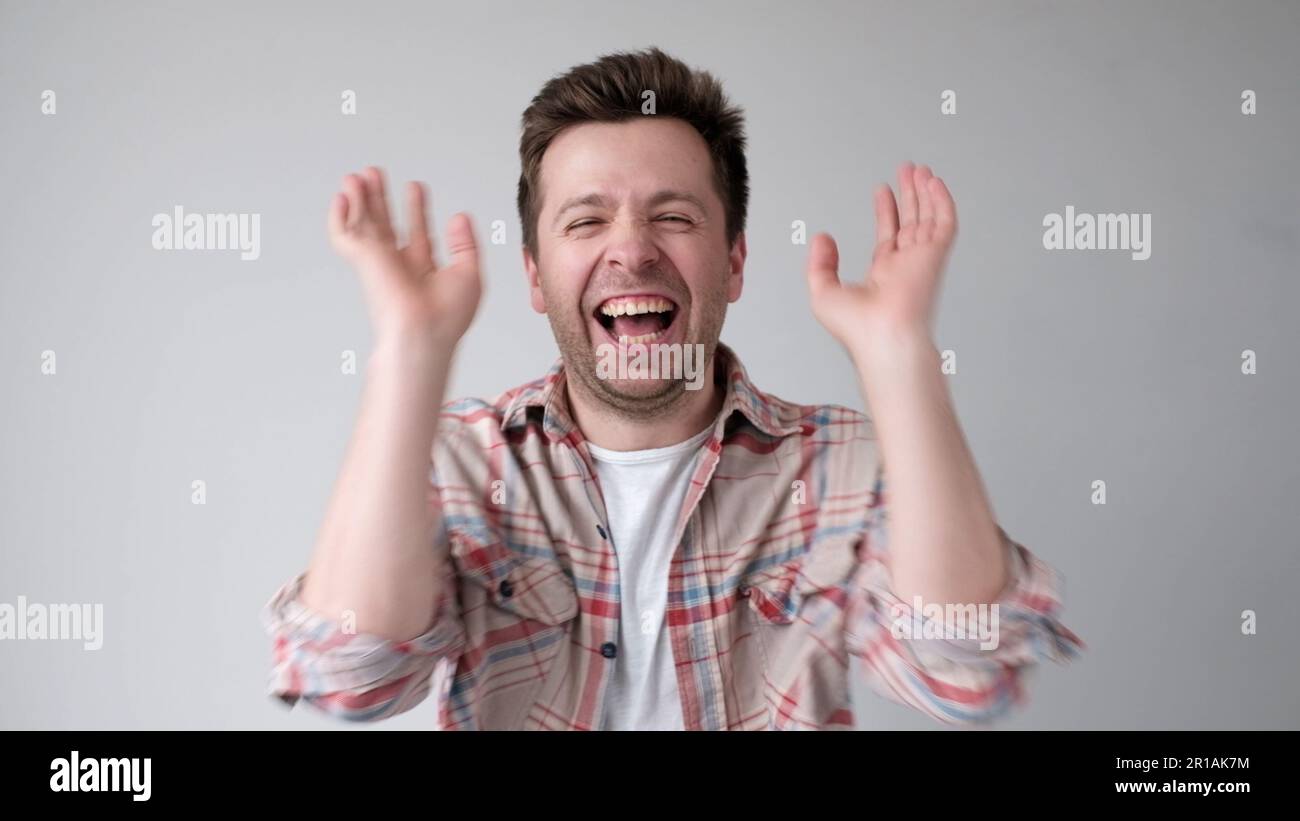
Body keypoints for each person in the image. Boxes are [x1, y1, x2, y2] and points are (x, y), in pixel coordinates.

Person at [261, 46, 1082, 730]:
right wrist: (410, 349)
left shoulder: (840, 463)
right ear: (537, 277)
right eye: (585, 221)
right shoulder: (461, 462)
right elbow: (349, 676)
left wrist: (899, 351)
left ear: (733, 260)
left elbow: (964, 671)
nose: (633, 251)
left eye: (675, 217)